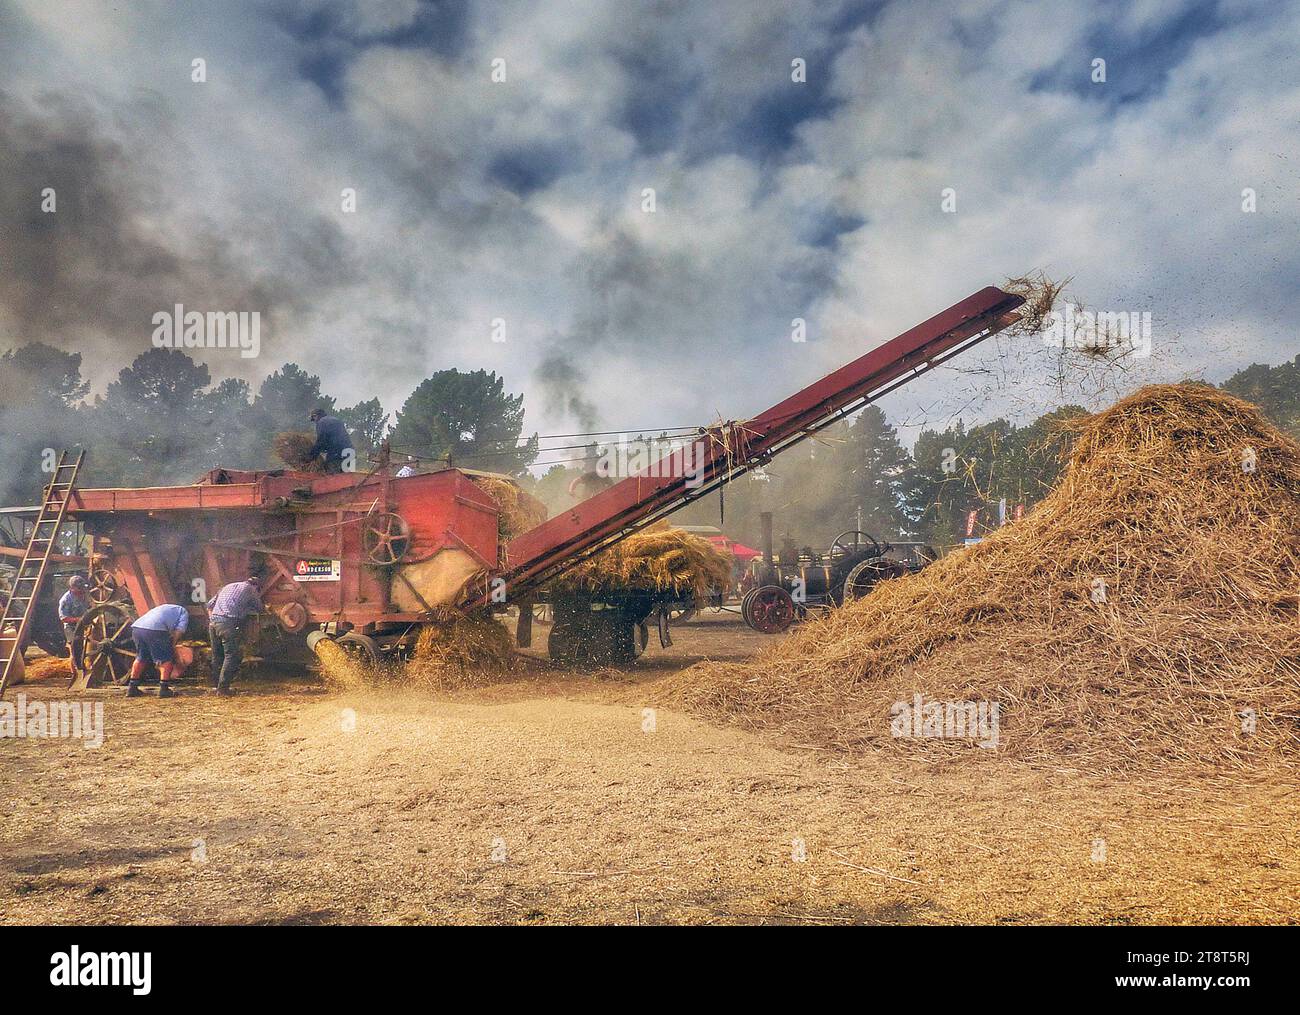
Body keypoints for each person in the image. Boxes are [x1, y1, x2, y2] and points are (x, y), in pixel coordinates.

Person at [205, 574, 263, 695]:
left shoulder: (227, 586)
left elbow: (209, 605)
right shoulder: (250, 589)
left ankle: (216, 686)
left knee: (217, 655)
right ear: (256, 586)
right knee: (232, 655)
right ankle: (223, 689)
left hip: (213, 623)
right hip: (227, 623)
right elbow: (259, 608)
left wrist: (214, 619)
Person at [127, 603, 190, 698]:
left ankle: (132, 688)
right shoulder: (183, 612)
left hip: (137, 628)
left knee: (141, 658)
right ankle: (164, 690)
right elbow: (179, 631)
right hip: (155, 630)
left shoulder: (164, 607)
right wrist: (172, 644)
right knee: (166, 659)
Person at [307, 407, 354, 474]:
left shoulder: (321, 422)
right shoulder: (336, 420)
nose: (314, 421)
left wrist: (312, 456)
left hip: (337, 454)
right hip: (350, 452)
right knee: (343, 478)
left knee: (331, 477)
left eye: (313, 419)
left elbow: (321, 441)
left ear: (316, 416)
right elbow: (335, 437)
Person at [58, 575, 91, 655]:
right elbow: (64, 618)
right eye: (79, 588)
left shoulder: (86, 594)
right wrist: (79, 619)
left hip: (84, 625)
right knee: (75, 650)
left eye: (82, 587)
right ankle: (74, 666)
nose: (82, 590)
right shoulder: (66, 600)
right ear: (72, 588)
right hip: (72, 627)